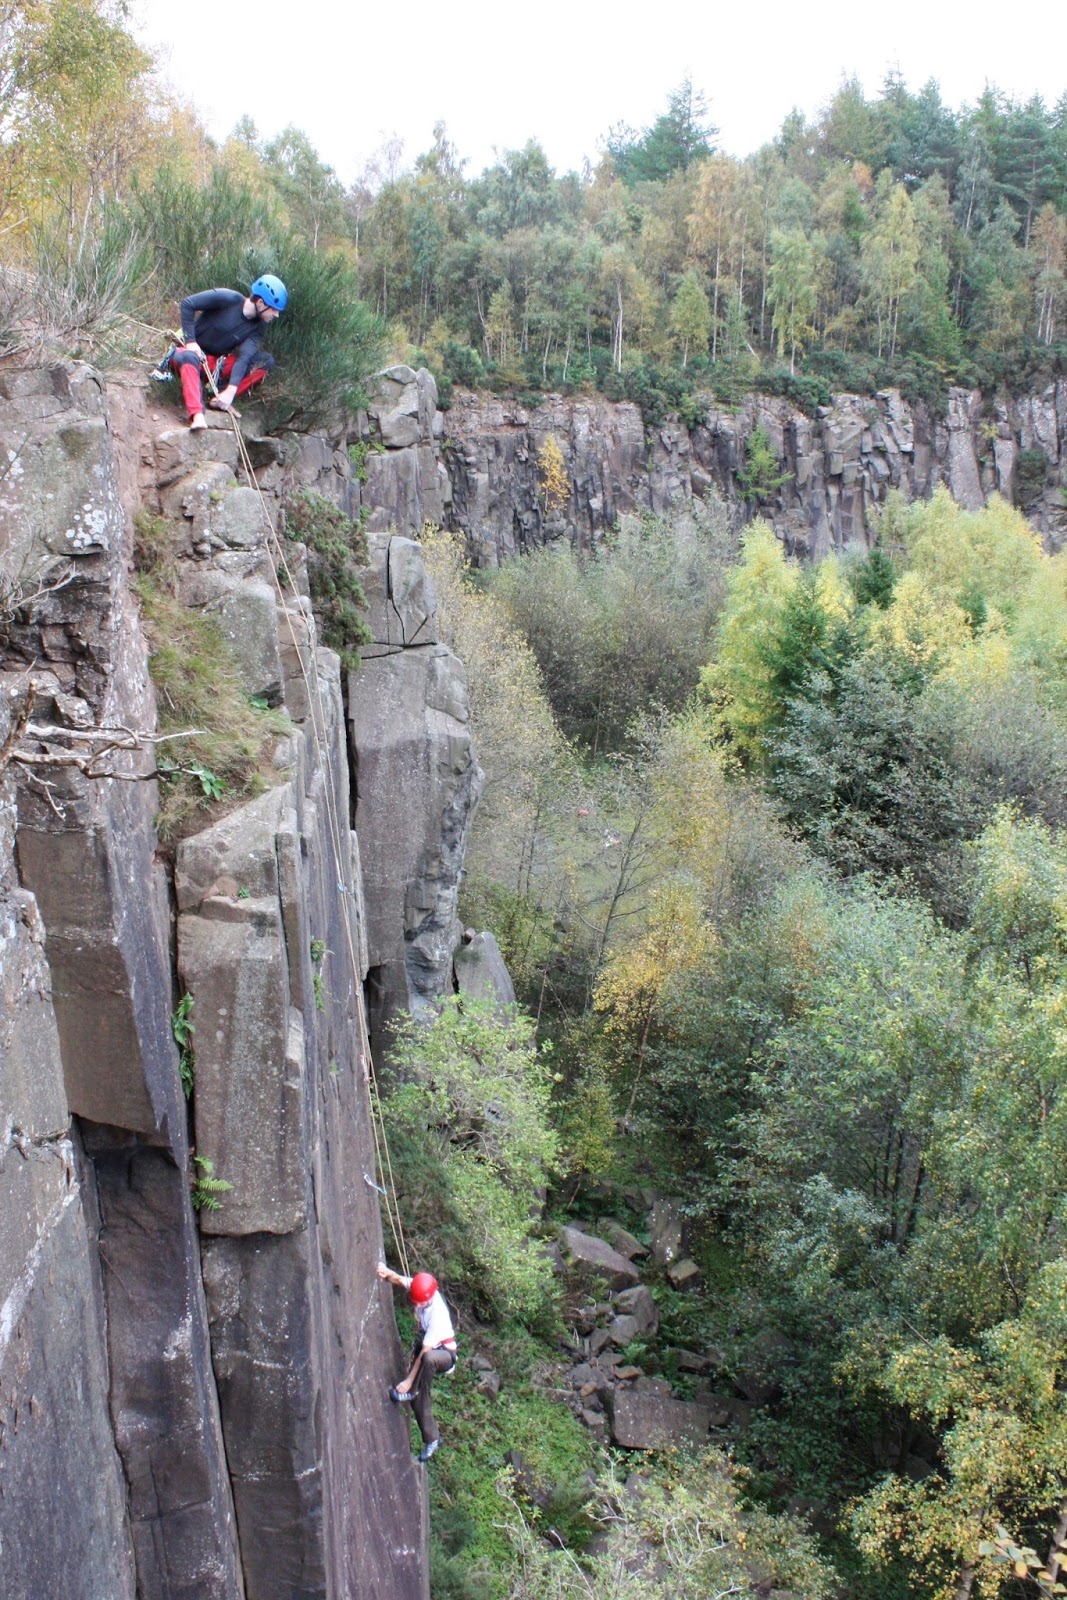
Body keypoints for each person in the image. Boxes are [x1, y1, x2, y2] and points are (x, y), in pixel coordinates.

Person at [158, 274, 287, 430]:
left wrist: (231, 391)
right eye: (274, 309)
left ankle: (219, 399)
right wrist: (191, 342)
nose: (276, 315)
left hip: (214, 366)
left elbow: (245, 358)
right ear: (260, 302)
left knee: (265, 361)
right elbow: (188, 304)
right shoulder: (228, 298)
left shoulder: (258, 327)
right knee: (189, 356)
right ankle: (197, 415)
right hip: (188, 354)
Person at [376, 1261, 457, 1463]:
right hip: (427, 1349)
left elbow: (425, 1354)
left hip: (444, 1355)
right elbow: (400, 1280)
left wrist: (409, 1383)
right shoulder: (420, 1289)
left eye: (419, 1303)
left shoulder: (437, 1315)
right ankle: (432, 1439)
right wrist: (385, 1273)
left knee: (426, 1365)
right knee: (418, 1401)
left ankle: (414, 1391)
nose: (416, 1305)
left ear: (428, 1300)